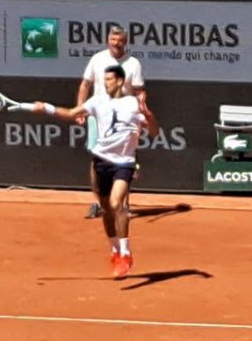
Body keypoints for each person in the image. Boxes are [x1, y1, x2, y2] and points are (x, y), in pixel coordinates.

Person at [34, 65, 160, 278]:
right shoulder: (97, 101)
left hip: (124, 163)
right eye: (104, 80)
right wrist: (46, 107)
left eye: (109, 80)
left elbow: (154, 132)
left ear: (120, 81)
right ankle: (114, 250)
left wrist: (149, 116)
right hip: (100, 161)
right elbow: (71, 113)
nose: (105, 84)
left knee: (116, 204)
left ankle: (126, 253)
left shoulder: (133, 104)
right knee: (105, 207)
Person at [75, 25, 148, 219]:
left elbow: (140, 91)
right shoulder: (97, 59)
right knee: (96, 159)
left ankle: (124, 204)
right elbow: (85, 84)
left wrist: (142, 110)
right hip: (98, 116)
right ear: (108, 40)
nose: (116, 44)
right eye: (113, 40)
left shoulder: (133, 64)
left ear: (126, 42)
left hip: (125, 118)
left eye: (120, 40)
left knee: (125, 160)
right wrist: (80, 108)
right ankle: (99, 202)